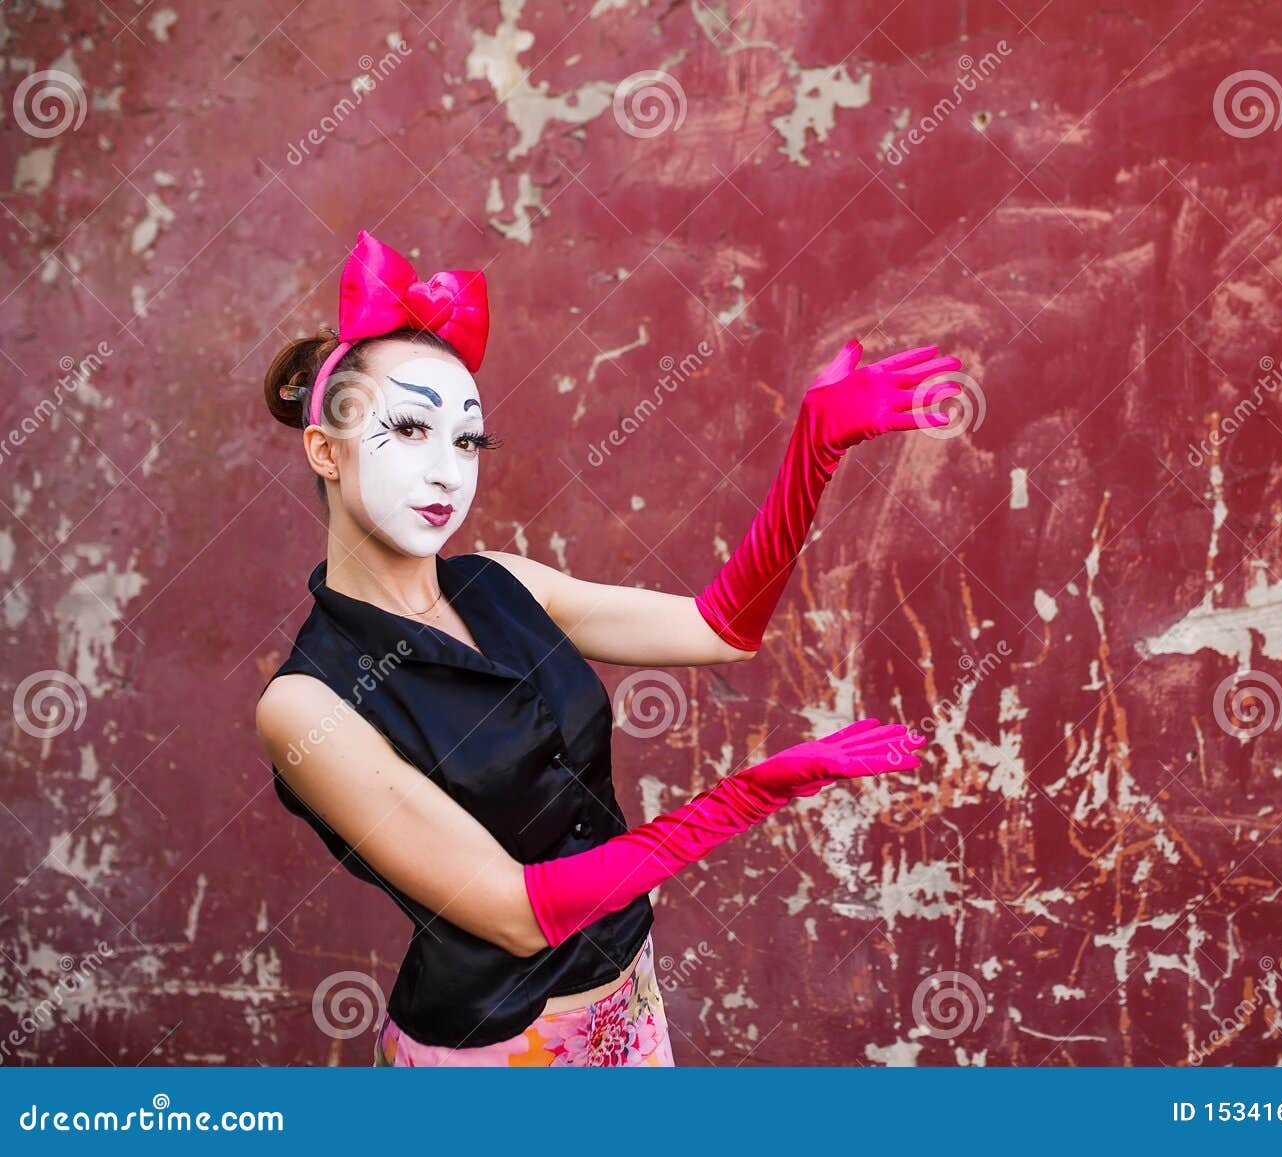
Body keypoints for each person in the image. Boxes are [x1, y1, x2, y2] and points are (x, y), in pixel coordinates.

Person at [253, 228, 965, 1066]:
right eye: (411, 429)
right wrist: (751, 793)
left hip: (631, 1005)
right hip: (494, 1056)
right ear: (325, 450)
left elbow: (719, 628)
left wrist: (814, 450)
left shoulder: (500, 582)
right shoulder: (305, 703)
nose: (448, 471)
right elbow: (518, 912)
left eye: (468, 440)